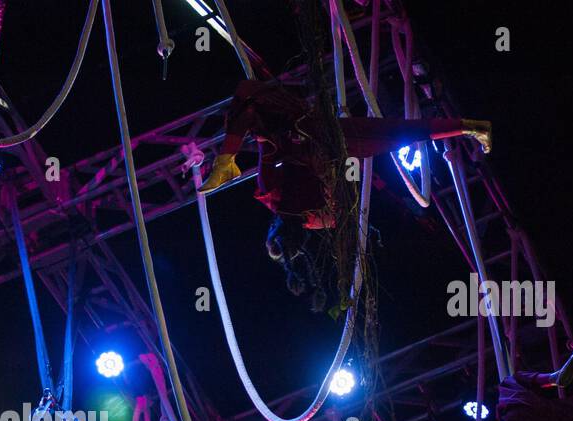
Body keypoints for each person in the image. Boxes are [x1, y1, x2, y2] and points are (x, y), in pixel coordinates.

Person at [197, 78, 490, 304]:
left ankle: (469, 126)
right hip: (309, 132)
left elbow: (341, 190)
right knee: (247, 94)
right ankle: (226, 160)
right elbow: (269, 152)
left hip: (334, 142)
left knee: (400, 132)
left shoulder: (320, 219)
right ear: (273, 228)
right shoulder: (272, 196)